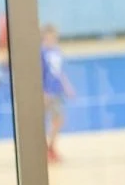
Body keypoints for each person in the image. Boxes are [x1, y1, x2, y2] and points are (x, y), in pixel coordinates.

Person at [40, 24, 74, 163]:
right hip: (47, 92)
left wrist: (67, 86)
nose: (52, 40)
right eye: (49, 37)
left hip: (56, 91)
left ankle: (50, 147)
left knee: (58, 120)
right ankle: (45, 150)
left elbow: (59, 72)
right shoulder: (40, 52)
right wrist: (43, 91)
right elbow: (39, 73)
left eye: (54, 37)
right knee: (43, 121)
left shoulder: (57, 51)